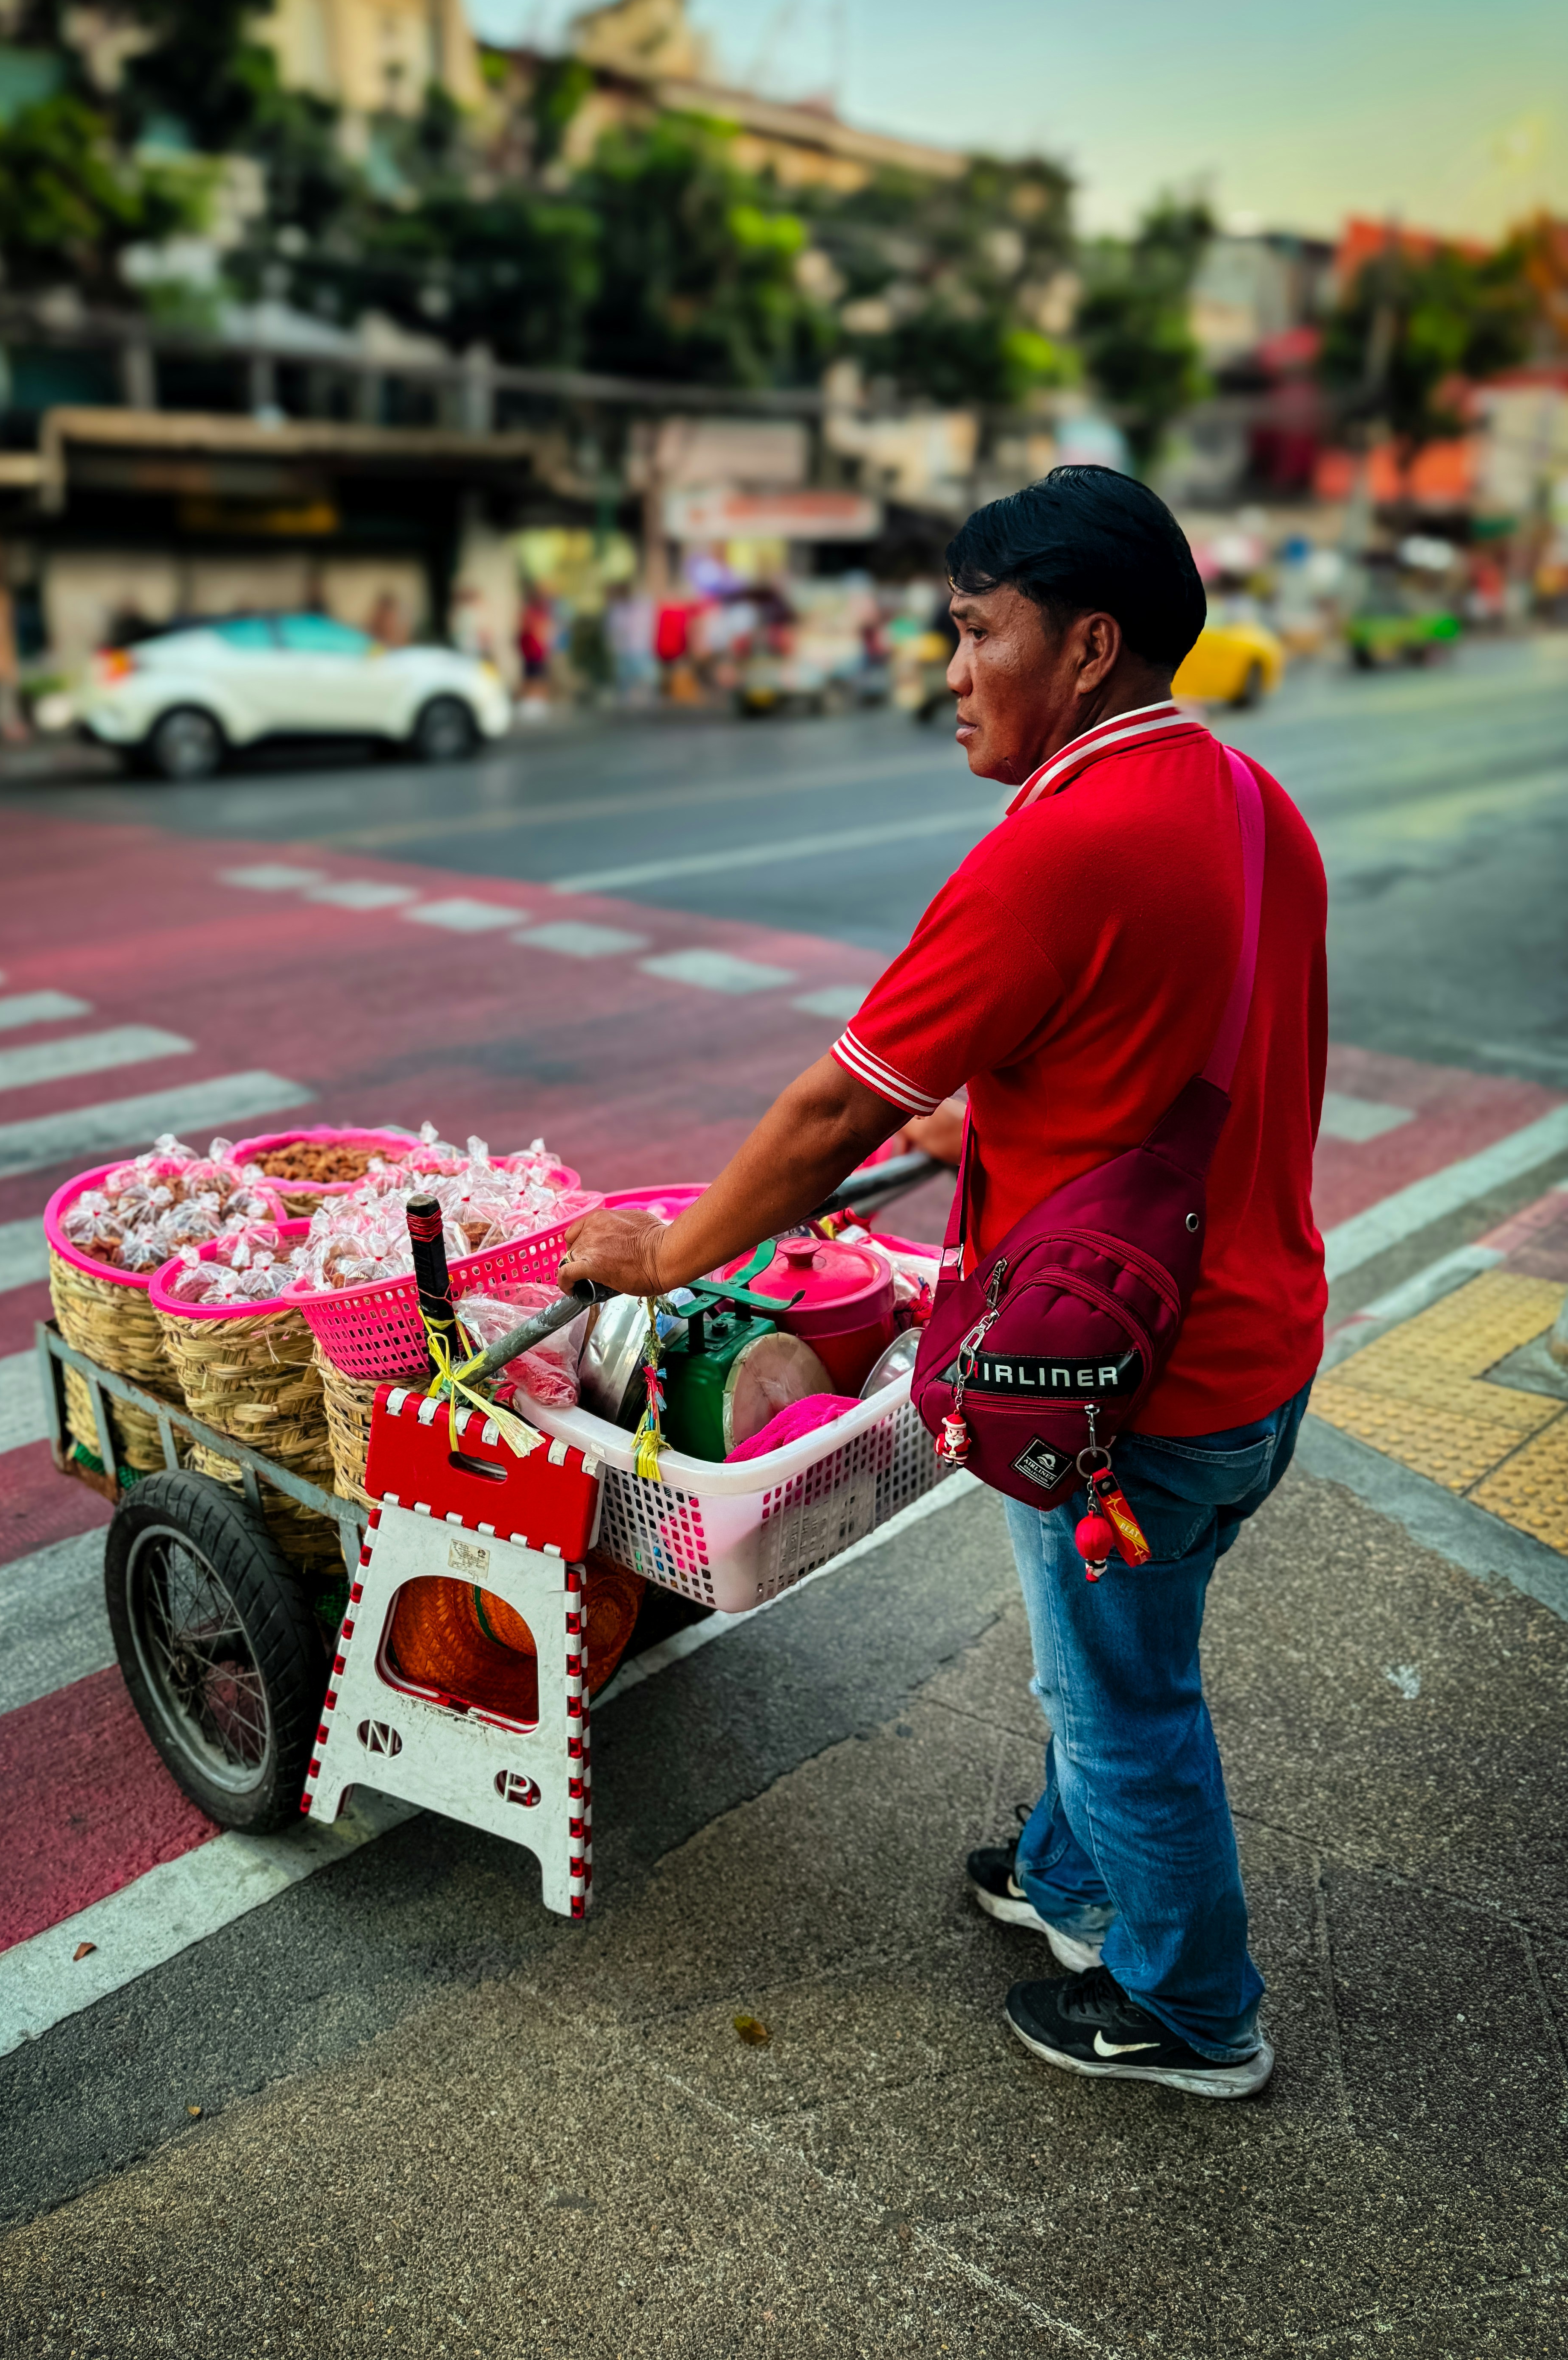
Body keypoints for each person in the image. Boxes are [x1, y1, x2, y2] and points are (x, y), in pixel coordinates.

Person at [559, 465, 1328, 2101]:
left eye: (980, 632)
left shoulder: (1060, 846)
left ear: (1090, 646)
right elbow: (1188, 1054)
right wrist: (1012, 1116)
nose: (952, 672)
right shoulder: (1248, 801)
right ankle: (1065, 1877)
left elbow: (834, 1112)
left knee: (1117, 1699)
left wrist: (666, 1253)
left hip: (1126, 1394)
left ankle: (1193, 2011)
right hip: (1257, 1347)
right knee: (1122, 1660)